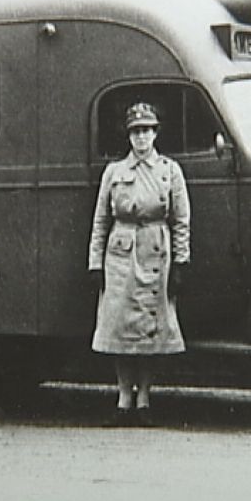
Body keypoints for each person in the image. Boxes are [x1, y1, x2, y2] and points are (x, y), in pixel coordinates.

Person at [87, 102, 191, 427]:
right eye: (135, 132)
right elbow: (101, 221)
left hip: (156, 252)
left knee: (150, 329)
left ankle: (144, 399)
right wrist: (95, 264)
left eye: (146, 130)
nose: (141, 138)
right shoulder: (114, 173)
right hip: (120, 255)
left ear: (156, 132)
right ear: (128, 136)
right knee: (119, 327)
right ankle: (122, 398)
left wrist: (181, 263)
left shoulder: (169, 171)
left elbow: (182, 220)